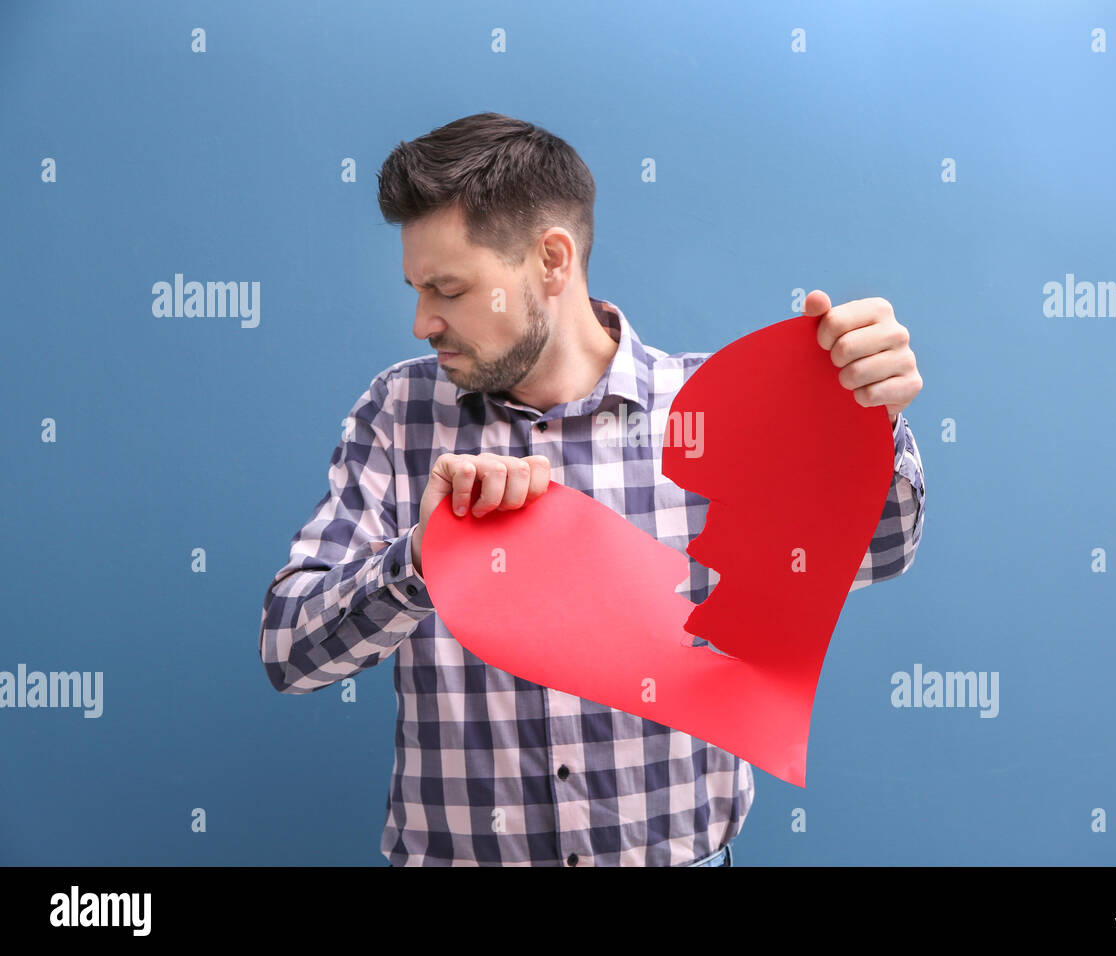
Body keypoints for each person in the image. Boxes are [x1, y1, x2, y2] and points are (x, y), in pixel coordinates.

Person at [258, 112, 926, 866]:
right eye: (416, 289)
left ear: (551, 260)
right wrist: (425, 553)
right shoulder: (399, 412)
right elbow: (290, 651)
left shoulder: (712, 412)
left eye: (448, 288)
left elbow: (876, 556)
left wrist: (870, 425)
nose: (422, 322)